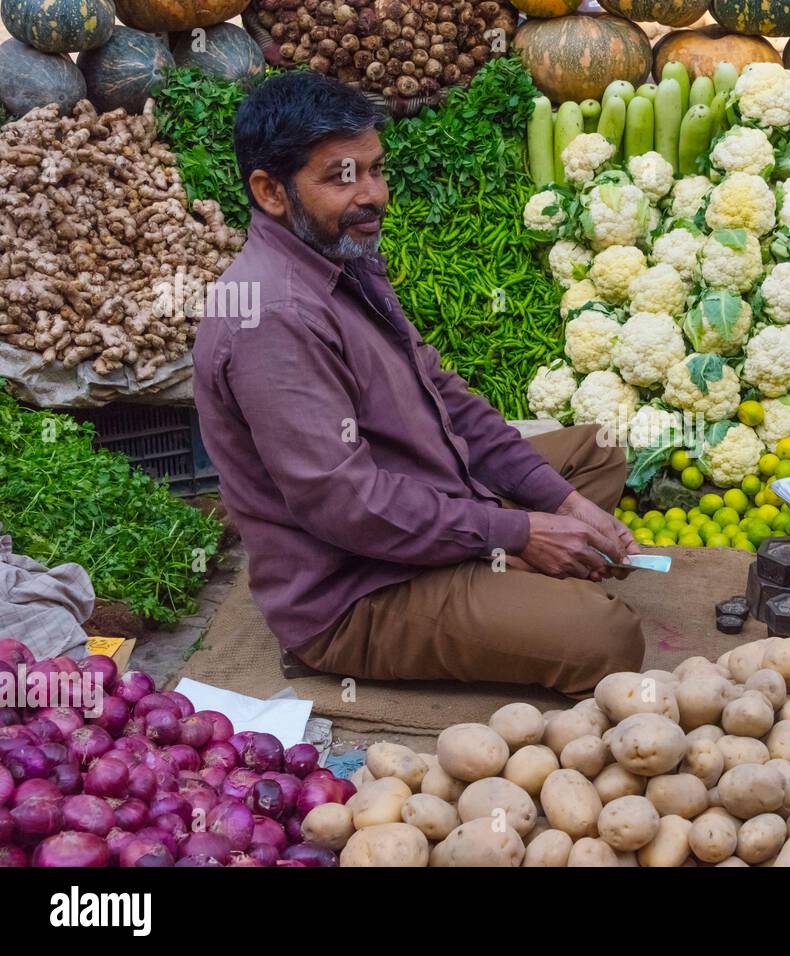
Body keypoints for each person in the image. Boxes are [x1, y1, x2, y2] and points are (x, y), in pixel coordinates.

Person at [193, 71, 645, 695]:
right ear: (270, 192)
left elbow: (447, 398)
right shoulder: (273, 317)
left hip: (422, 495)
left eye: (376, 169)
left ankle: (498, 566)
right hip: (359, 587)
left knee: (595, 455)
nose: (372, 194)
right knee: (609, 639)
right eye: (341, 178)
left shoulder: (343, 254)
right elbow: (347, 506)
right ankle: (471, 586)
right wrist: (516, 532)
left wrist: (558, 508)